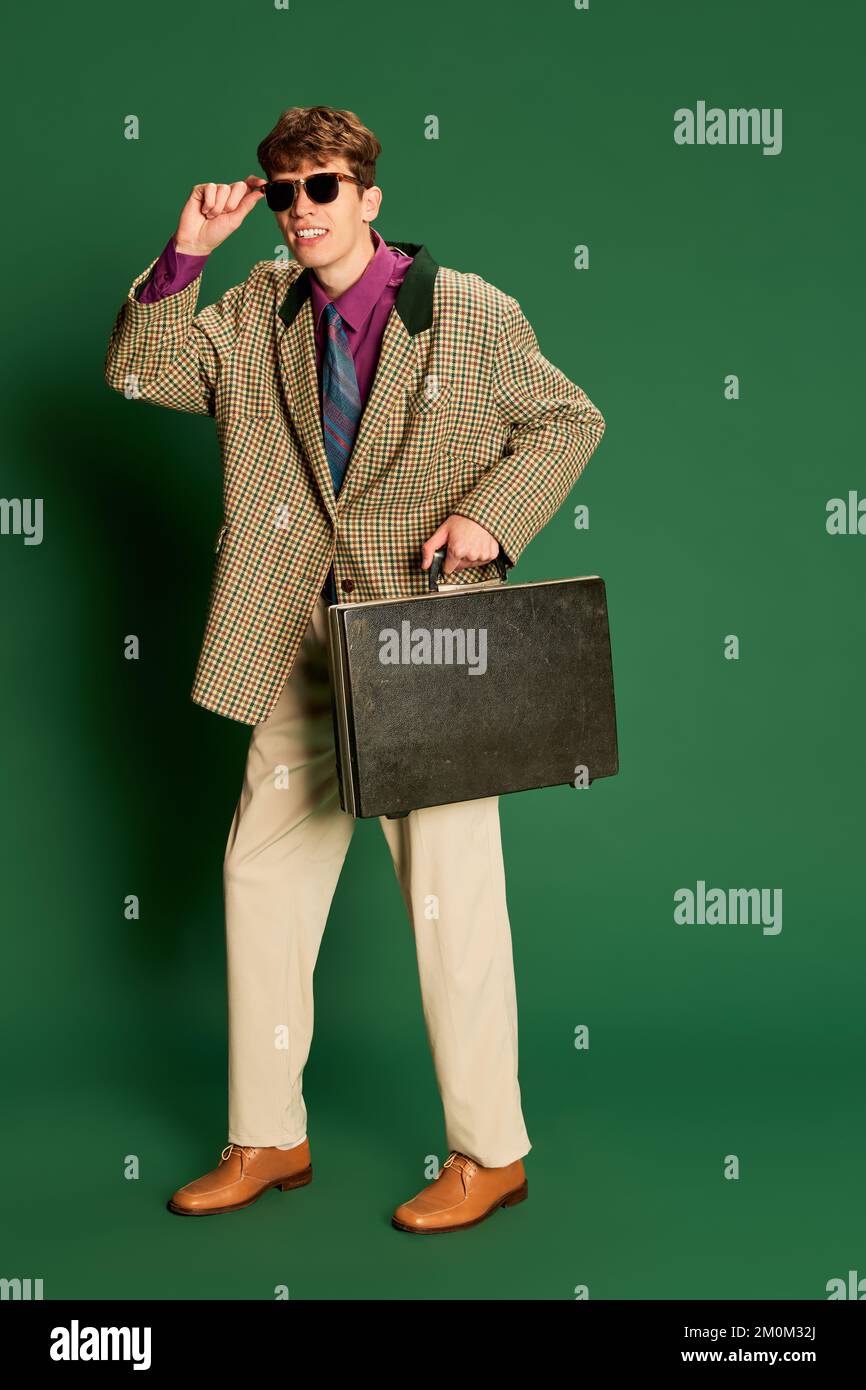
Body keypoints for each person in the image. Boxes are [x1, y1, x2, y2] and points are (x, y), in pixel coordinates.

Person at [104, 104, 606, 1233]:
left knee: (450, 899)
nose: (297, 213)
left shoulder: (469, 314)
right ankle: (267, 1134)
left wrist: (489, 518)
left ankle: (489, 1151)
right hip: (290, 638)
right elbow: (138, 377)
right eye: (280, 193)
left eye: (319, 188)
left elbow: (567, 421)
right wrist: (185, 252)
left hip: (423, 642)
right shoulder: (251, 311)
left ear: (370, 196)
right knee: (260, 881)